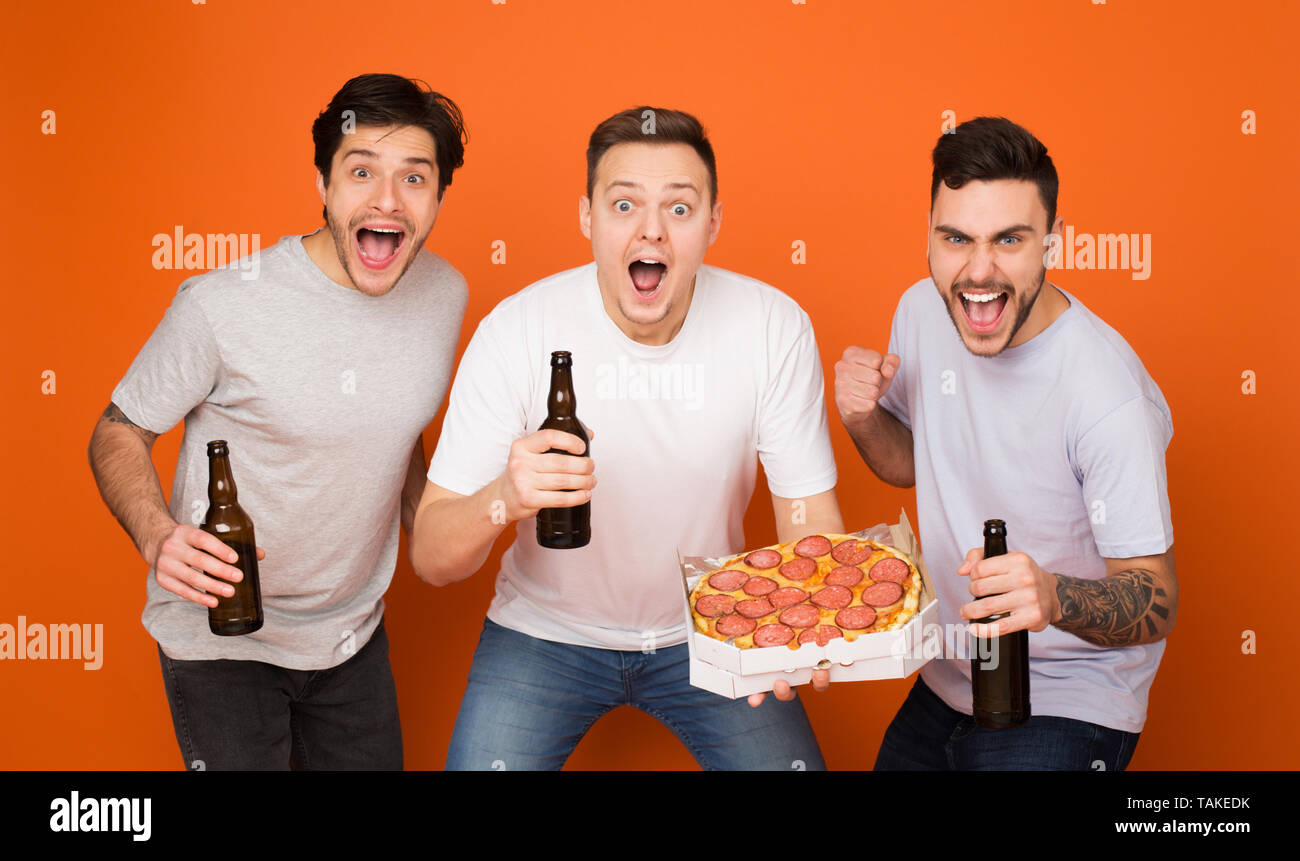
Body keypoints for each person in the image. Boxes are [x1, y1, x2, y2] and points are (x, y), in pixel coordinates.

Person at [411, 106, 843, 771]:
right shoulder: (516, 331)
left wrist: (799, 625)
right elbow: (433, 555)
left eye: (679, 208)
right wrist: (504, 495)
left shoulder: (773, 326)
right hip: (544, 632)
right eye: (623, 205)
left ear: (713, 223)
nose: (651, 230)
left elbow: (808, 521)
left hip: (714, 627)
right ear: (587, 218)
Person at [87, 73, 469, 770]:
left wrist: (437, 519)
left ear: (440, 194)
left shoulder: (444, 295)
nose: (387, 199)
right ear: (323, 182)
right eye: (361, 172)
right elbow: (119, 429)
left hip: (352, 637)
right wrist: (156, 533)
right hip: (224, 639)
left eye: (414, 178)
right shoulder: (221, 304)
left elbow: (395, 419)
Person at [834, 116, 1177, 770]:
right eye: (956, 238)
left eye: (1010, 239)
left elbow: (1156, 597)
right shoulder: (921, 311)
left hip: (1070, 696)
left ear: (1052, 241)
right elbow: (913, 461)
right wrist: (863, 418)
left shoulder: (1107, 396)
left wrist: (1051, 595)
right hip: (950, 676)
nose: (979, 272)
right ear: (929, 239)